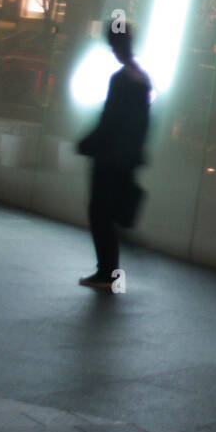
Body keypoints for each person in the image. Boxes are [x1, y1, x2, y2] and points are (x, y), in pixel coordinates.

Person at [75, 20, 151, 290]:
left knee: (99, 212)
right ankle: (109, 270)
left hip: (109, 158)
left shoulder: (121, 80)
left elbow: (110, 121)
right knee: (109, 212)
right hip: (125, 158)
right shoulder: (141, 78)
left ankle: (106, 271)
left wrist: (86, 144)